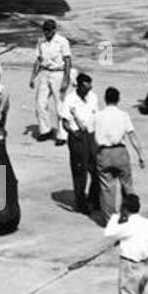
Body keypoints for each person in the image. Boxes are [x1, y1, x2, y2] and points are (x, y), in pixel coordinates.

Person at [92, 87, 145, 217]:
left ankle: (110, 219)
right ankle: (129, 214)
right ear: (118, 99)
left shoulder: (97, 115)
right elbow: (132, 136)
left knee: (107, 188)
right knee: (127, 185)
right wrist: (140, 155)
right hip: (120, 153)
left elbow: (88, 131)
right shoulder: (123, 115)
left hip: (104, 153)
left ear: (105, 99)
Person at [60, 72, 101, 214]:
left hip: (92, 136)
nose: (89, 88)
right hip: (78, 138)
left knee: (96, 170)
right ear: (79, 86)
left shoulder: (93, 97)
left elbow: (97, 116)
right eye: (86, 86)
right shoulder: (70, 99)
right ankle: (81, 203)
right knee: (80, 172)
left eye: (90, 85)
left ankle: (94, 199)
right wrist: (73, 133)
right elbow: (65, 122)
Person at [29, 19, 71, 141]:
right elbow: (38, 60)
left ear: (54, 30)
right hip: (45, 73)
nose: (46, 33)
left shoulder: (62, 42)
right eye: (44, 30)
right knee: (40, 103)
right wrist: (33, 77)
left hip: (58, 73)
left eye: (48, 30)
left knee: (60, 105)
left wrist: (66, 79)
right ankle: (45, 130)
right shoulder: (41, 42)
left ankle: (62, 134)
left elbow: (68, 61)